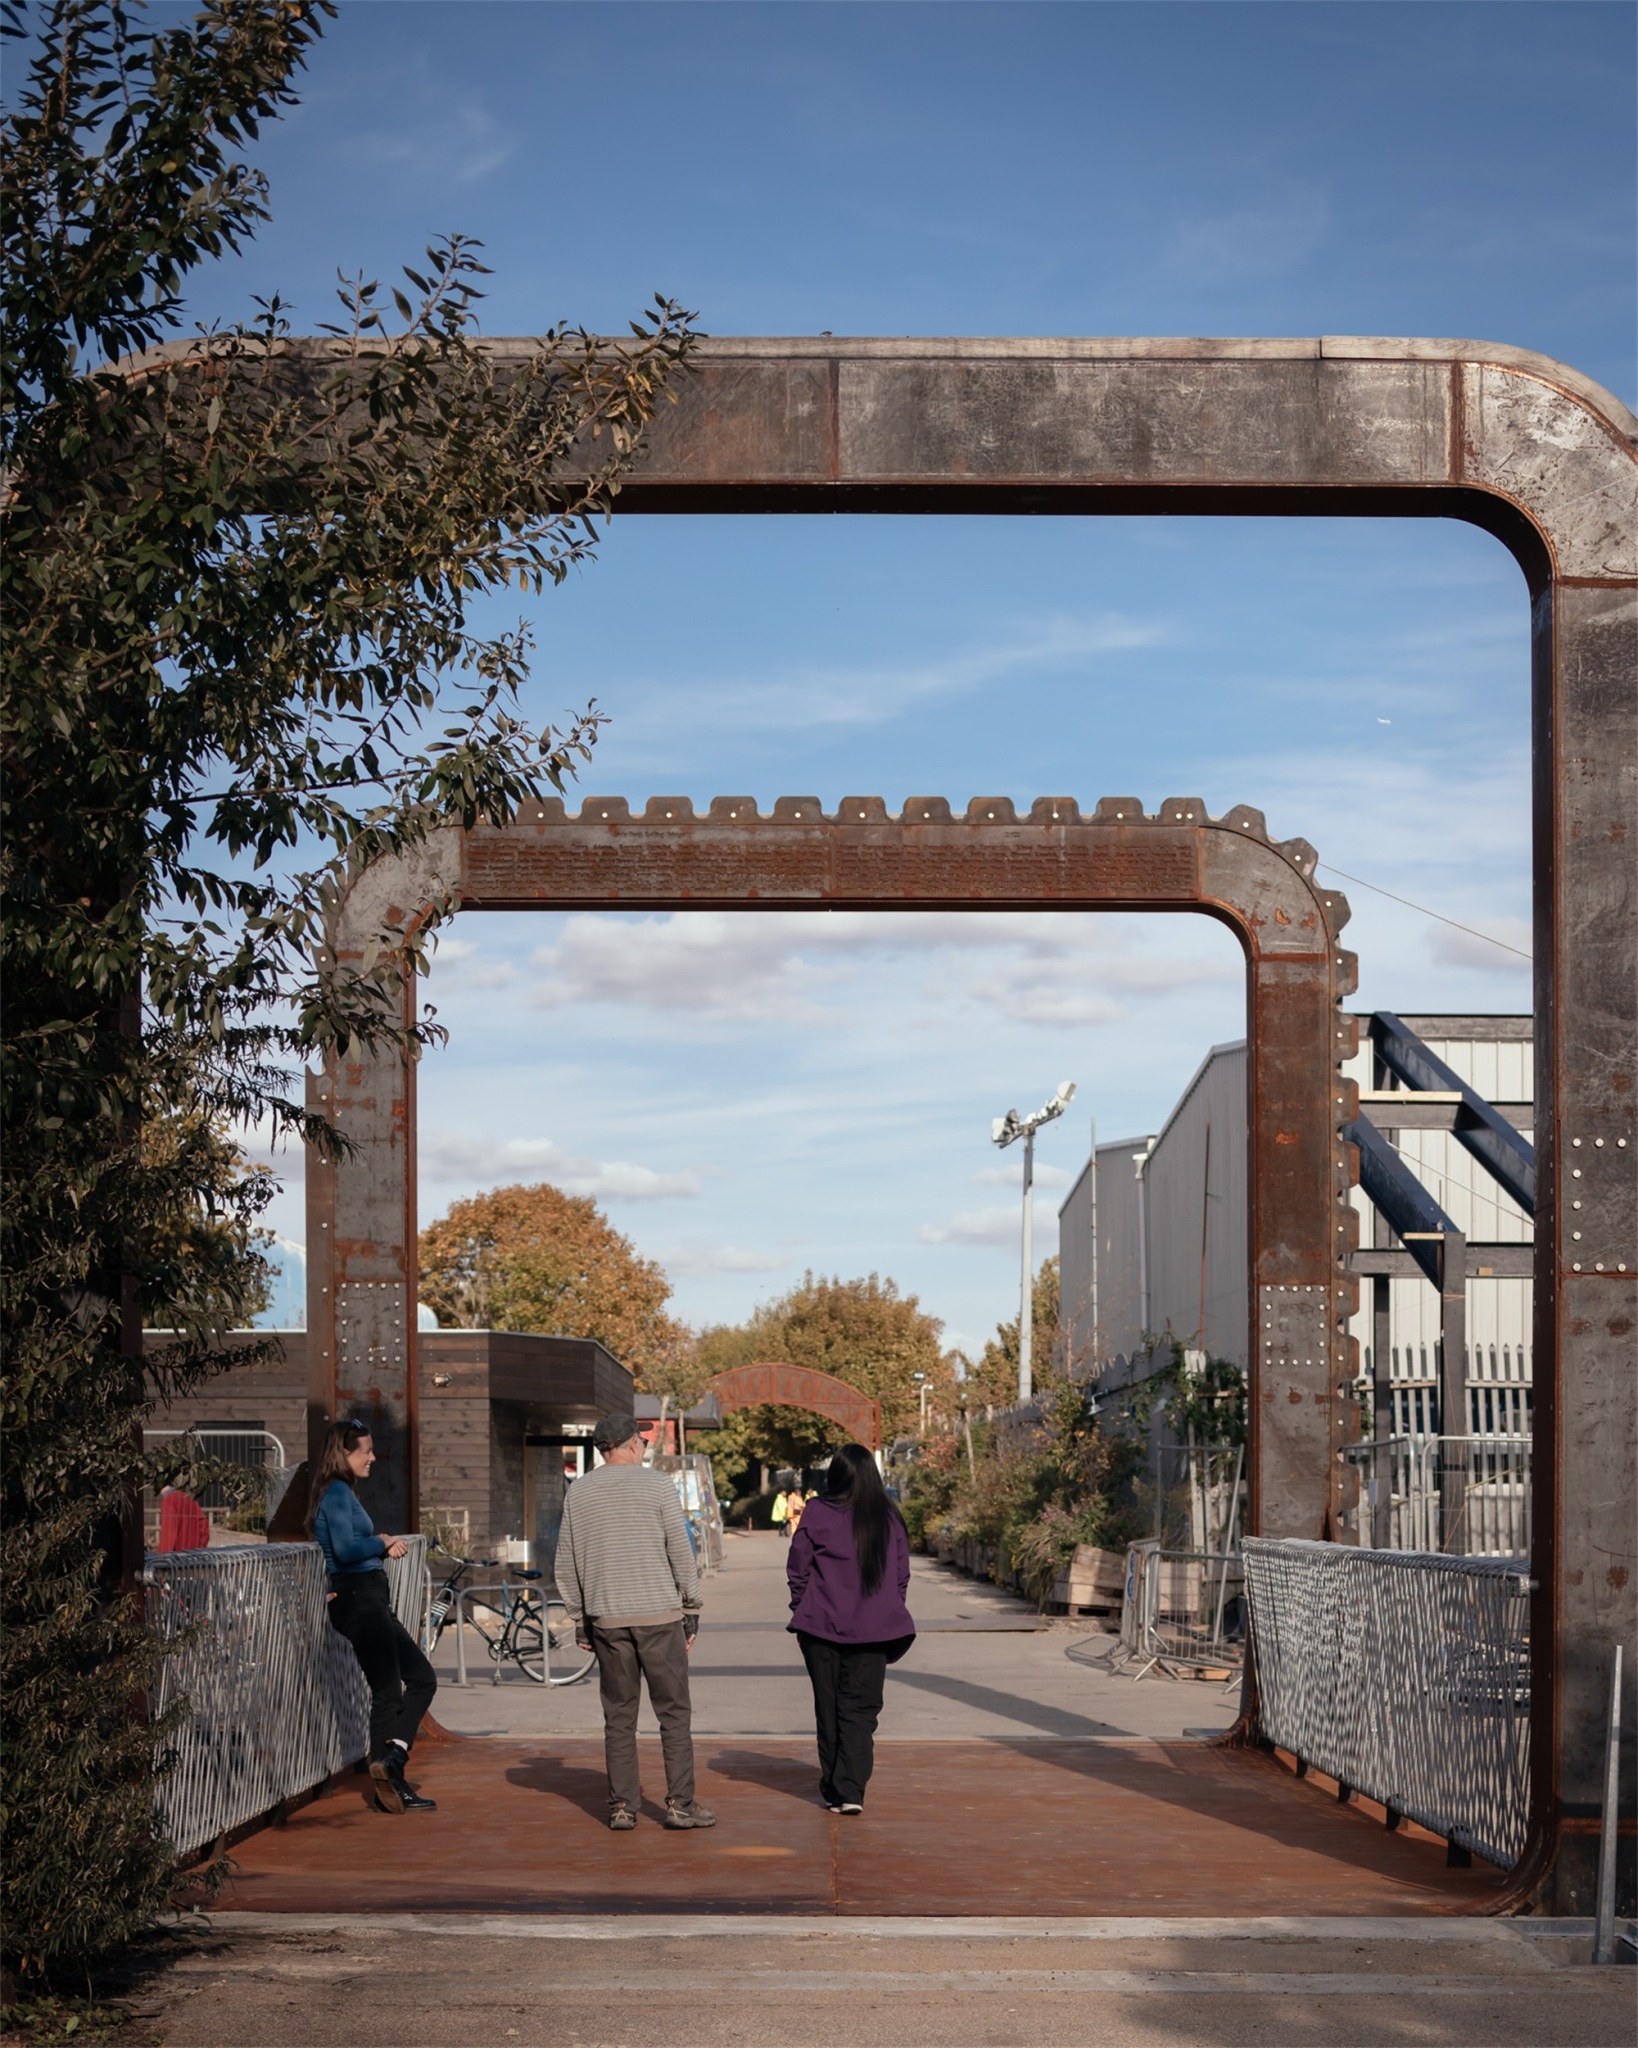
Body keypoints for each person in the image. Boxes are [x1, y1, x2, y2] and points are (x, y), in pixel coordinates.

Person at [557, 1412, 715, 1832]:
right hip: (659, 1616)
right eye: (642, 1440)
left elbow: (566, 1562)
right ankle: (681, 1804)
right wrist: (691, 1607)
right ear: (629, 1444)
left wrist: (580, 1618)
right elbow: (679, 1550)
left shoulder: (578, 1492)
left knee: (619, 1716)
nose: (645, 1445)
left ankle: (623, 1807)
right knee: (674, 1713)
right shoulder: (658, 1485)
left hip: (607, 1619)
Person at [307, 1418, 438, 1815]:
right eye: (365, 1451)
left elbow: (350, 1544)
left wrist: (377, 1542)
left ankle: (393, 1758)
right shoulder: (337, 1492)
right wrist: (381, 1542)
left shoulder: (340, 1491)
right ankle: (390, 1785)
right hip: (358, 1597)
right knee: (387, 1691)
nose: (373, 1457)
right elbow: (346, 1551)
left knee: (421, 1678)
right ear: (344, 1454)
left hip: (367, 1598)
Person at [787, 1443, 915, 1815]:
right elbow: (901, 1574)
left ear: (836, 1475)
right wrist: (888, 1608)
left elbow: (798, 1566)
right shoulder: (889, 1516)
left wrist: (802, 1606)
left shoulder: (818, 1511)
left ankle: (834, 1788)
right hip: (874, 1629)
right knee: (861, 1710)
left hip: (821, 1625)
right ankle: (851, 1790)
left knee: (827, 1708)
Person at [156, 1484, 211, 1552]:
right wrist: (201, 1546)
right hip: (194, 1552)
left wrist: (163, 1554)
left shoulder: (169, 1500)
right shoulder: (189, 1499)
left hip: (177, 1553)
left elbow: (168, 1533)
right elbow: (203, 1523)